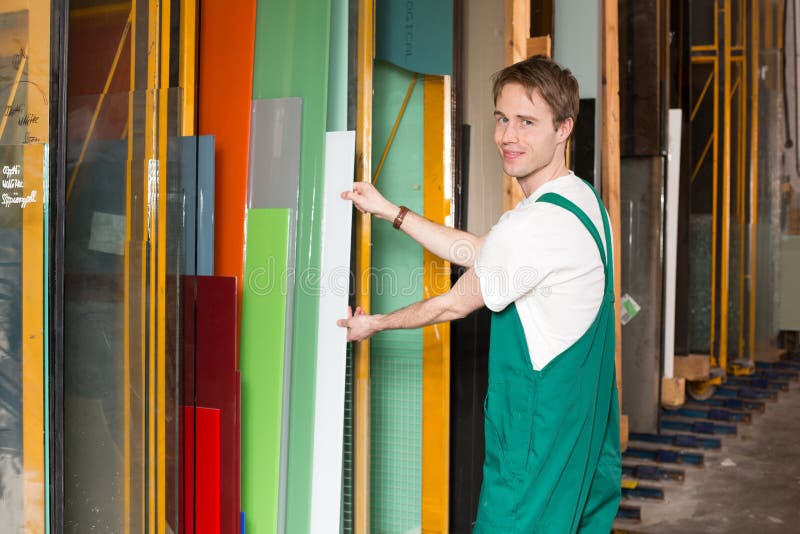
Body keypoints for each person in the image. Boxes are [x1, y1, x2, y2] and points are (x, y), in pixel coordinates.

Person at [339, 55, 621, 533]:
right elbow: (481, 252)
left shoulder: (532, 224)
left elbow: (453, 302)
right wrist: (390, 211)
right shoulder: (582, 201)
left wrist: (375, 323)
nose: (509, 136)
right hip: (577, 442)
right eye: (502, 119)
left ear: (564, 128)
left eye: (527, 122)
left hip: (534, 450)